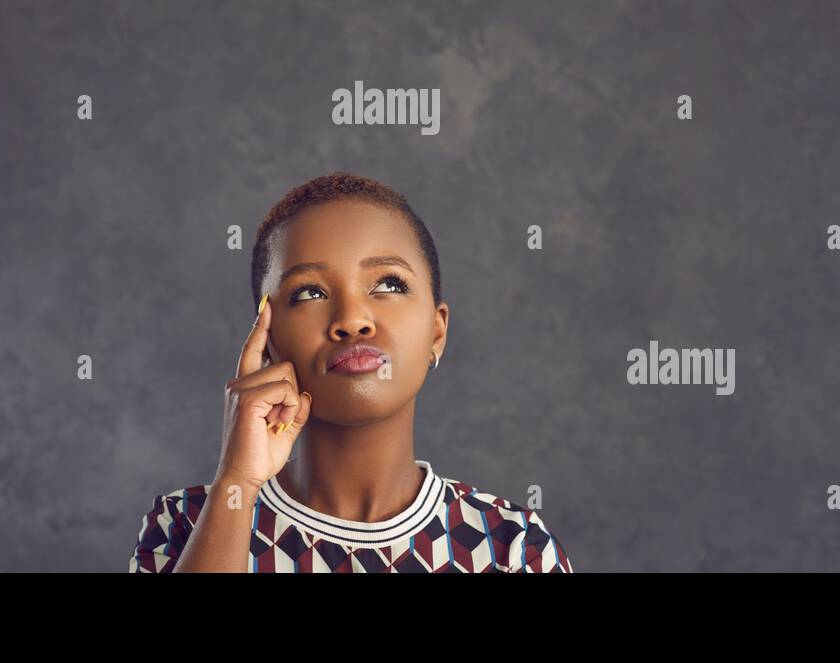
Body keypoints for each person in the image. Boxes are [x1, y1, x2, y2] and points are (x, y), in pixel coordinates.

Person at [128, 171, 573, 573]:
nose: (353, 318)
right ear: (268, 339)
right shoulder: (185, 525)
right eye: (309, 293)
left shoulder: (511, 547)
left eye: (388, 284)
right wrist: (238, 484)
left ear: (436, 331)